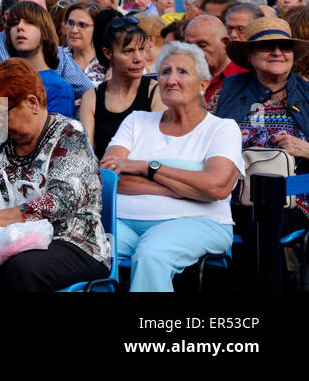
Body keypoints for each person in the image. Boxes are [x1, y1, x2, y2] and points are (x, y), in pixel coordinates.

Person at [102, 42, 243, 292]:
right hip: (121, 222)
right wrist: (184, 188)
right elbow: (109, 178)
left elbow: (216, 187)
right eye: (165, 72)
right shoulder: (137, 121)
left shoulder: (221, 128)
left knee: (151, 255)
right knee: (79, 246)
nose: (171, 79)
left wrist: (147, 167)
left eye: (182, 72)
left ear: (203, 84)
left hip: (198, 222)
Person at [0, 59, 111, 291]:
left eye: (2, 114)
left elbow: (59, 201)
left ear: (32, 102)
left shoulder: (70, 135)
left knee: (23, 268)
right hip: (7, 243)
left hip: (72, 242)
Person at [214, 17, 309, 228]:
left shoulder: (307, 92)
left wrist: (305, 149)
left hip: (298, 194)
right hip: (233, 196)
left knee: (264, 221)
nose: (277, 52)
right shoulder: (225, 93)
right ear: (250, 54)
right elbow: (199, 140)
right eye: (266, 46)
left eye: (285, 46)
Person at [79, 16, 163, 157]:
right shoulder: (92, 97)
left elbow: (156, 149)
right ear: (108, 53)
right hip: (105, 175)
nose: (138, 58)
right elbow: (85, 153)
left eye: (141, 49)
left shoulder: (156, 93)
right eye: (128, 51)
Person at [4, 1, 77, 117]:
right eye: (14, 23)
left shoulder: (59, 88)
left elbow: (55, 134)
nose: (20, 27)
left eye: (29, 22)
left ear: (44, 32)